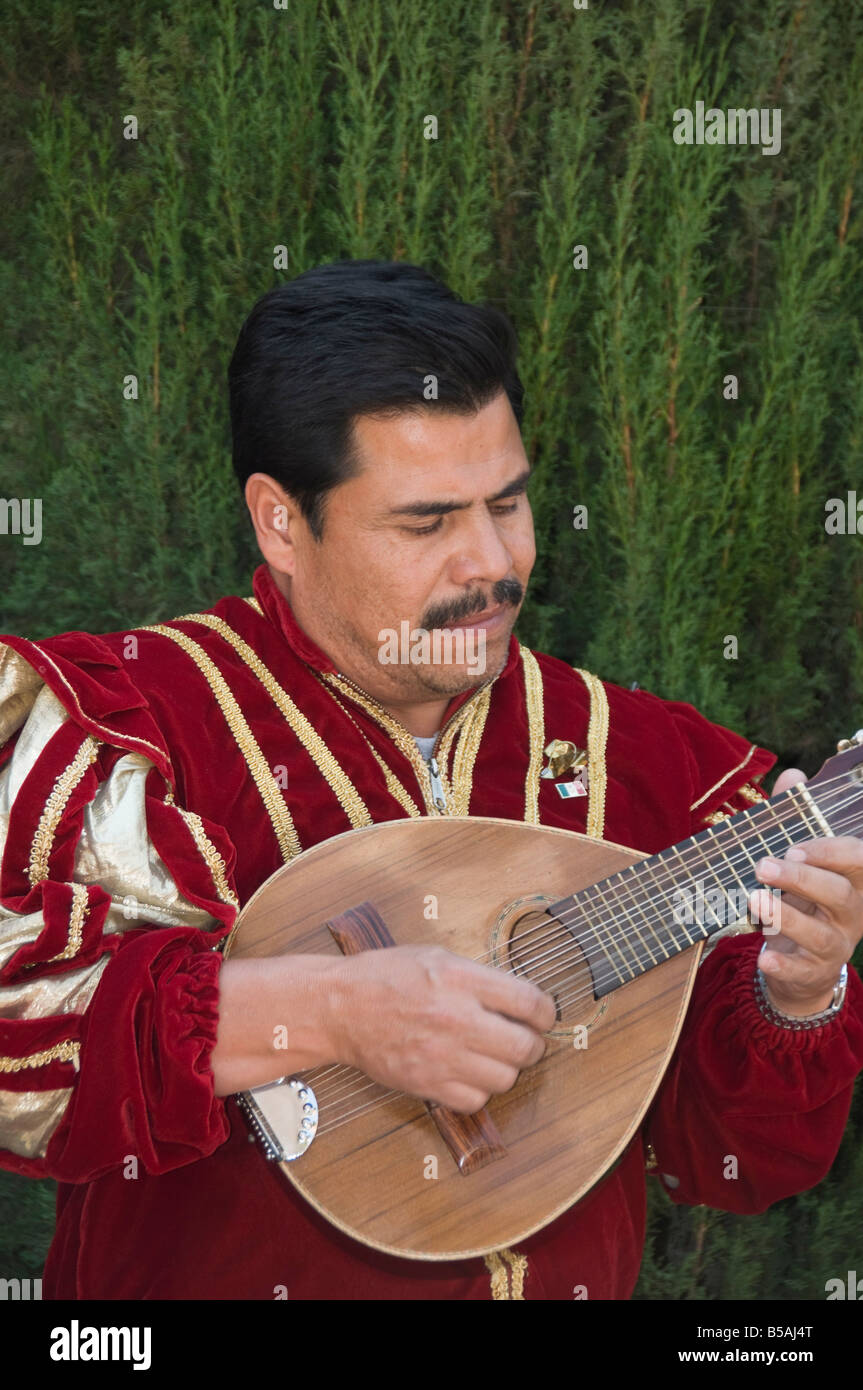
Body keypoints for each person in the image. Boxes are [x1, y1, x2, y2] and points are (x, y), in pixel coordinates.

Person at [1, 260, 861, 1301]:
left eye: (508, 503)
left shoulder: (644, 761)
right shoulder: (139, 726)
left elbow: (729, 1163)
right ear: (281, 521)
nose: (490, 564)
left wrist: (797, 993)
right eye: (426, 522)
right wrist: (325, 1011)